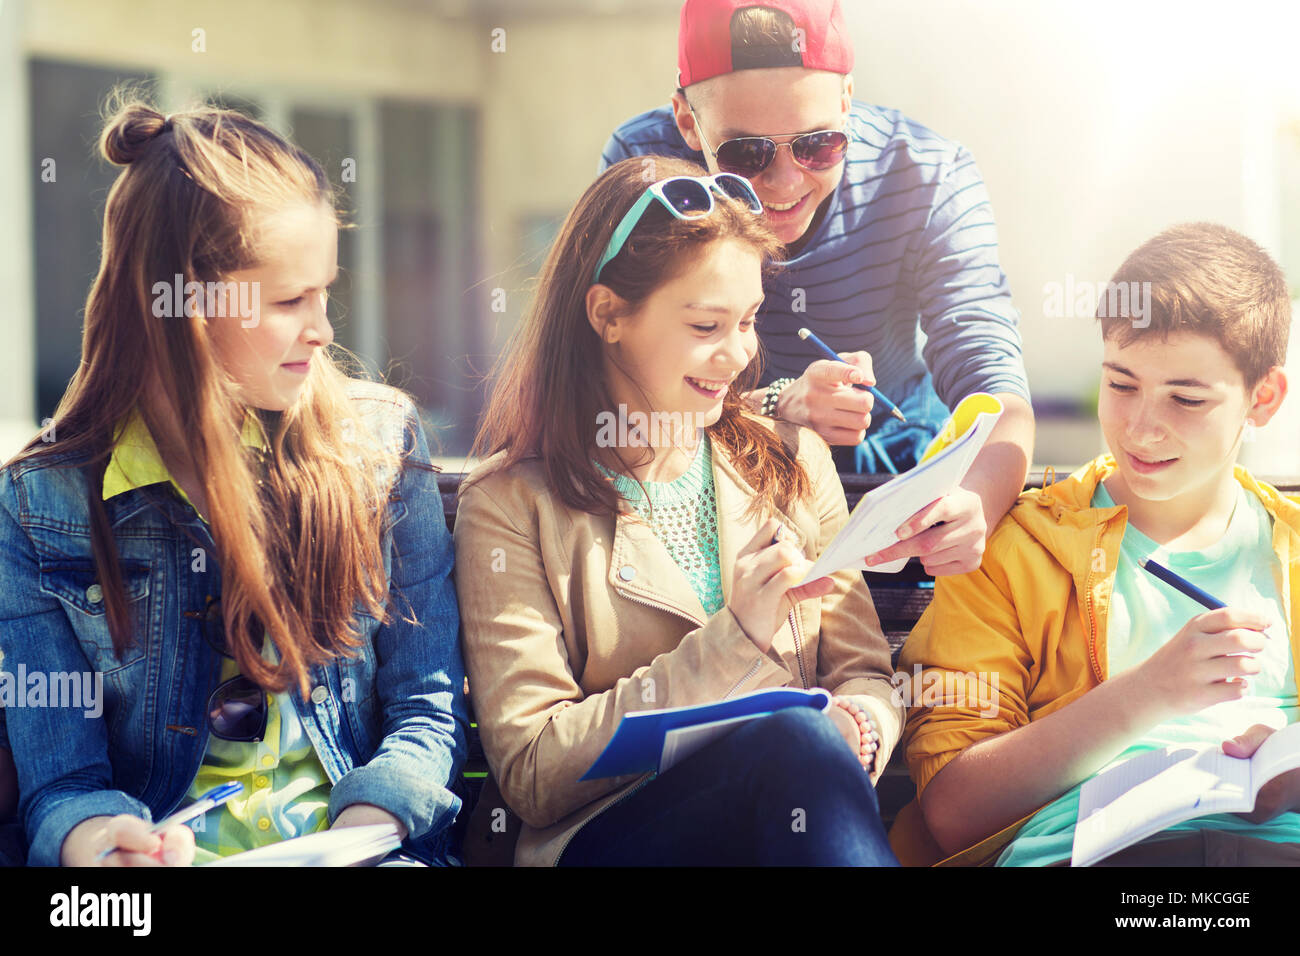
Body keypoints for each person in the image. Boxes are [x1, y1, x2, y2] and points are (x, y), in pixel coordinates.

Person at [0, 93, 467, 867]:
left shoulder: (380, 445)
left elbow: (427, 711)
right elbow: (62, 780)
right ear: (181, 307)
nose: (322, 328)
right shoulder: (38, 506)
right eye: (289, 301)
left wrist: (364, 828)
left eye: (325, 292)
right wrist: (100, 844)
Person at [455, 155, 903, 866]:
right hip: (609, 841)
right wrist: (737, 641)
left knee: (801, 741)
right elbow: (535, 771)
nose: (738, 354)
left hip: (785, 830)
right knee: (792, 739)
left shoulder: (793, 462)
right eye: (706, 326)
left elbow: (864, 674)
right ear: (608, 314)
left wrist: (861, 729)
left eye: (749, 321)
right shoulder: (510, 506)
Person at [893, 222, 1300, 866]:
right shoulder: (1012, 550)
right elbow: (952, 812)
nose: (1141, 427)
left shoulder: (1293, 551)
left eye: (1186, 398)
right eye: (1121, 384)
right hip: (1086, 853)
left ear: (1264, 397)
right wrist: (1148, 694)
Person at [601, 0, 1035, 577]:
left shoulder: (927, 174)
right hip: (710, 476)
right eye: (746, 153)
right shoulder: (645, 167)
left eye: (817, 145)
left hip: (896, 479)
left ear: (847, 101)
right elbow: (612, 386)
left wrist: (976, 501)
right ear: (687, 122)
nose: (784, 182)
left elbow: (993, 376)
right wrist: (779, 408)